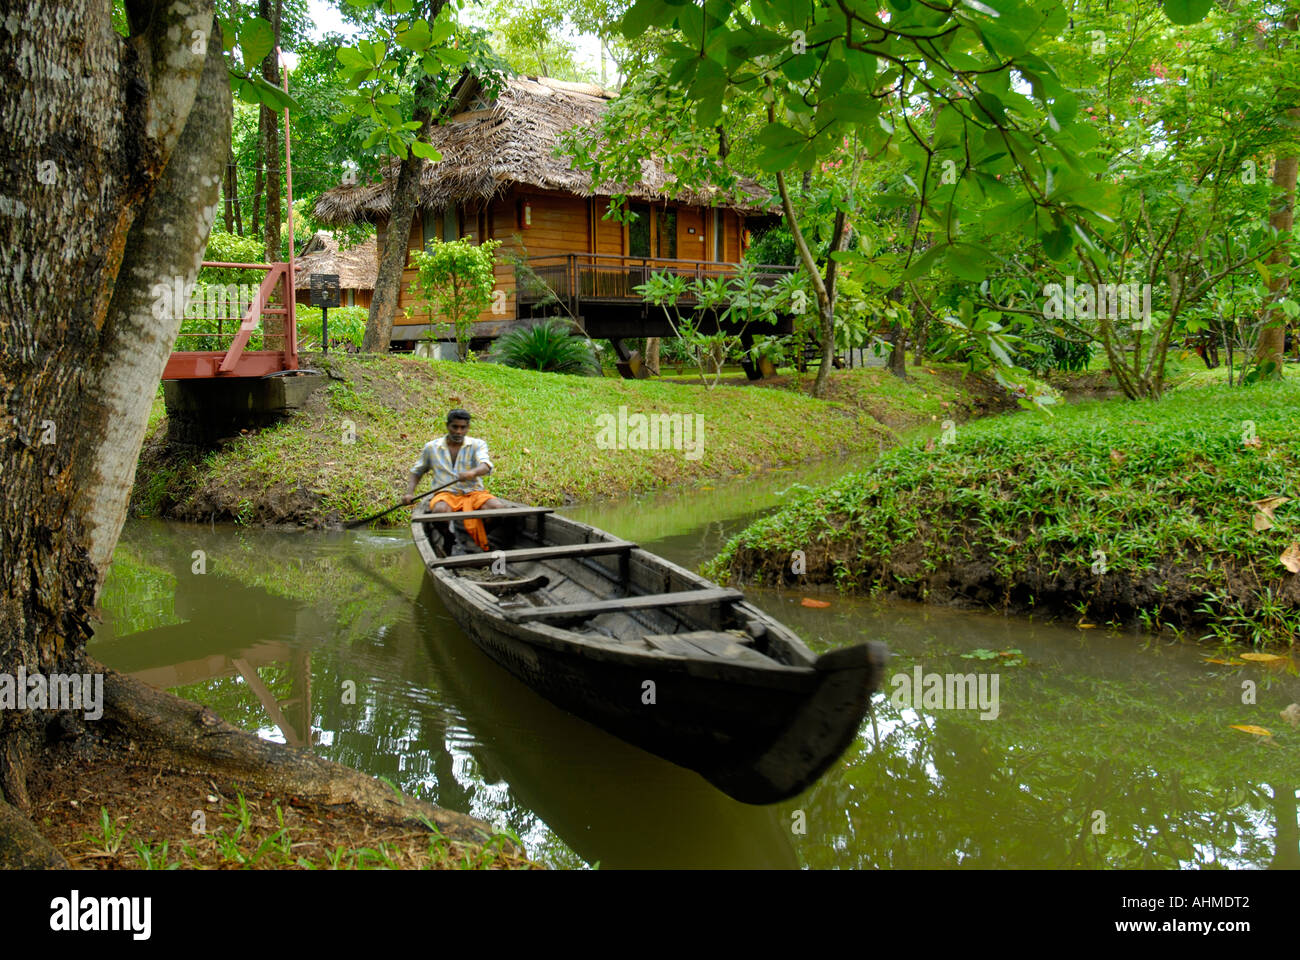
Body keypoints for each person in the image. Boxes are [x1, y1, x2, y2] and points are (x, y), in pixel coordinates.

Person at [404, 409, 506, 552]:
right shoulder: (432, 447)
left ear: (468, 428)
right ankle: (448, 537)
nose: (458, 431)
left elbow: (486, 465)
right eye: (455, 427)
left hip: (473, 493)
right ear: (447, 426)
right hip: (446, 494)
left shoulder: (477, 445)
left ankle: (479, 535)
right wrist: (409, 493)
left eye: (463, 427)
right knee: (439, 512)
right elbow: (417, 471)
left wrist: (472, 472)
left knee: (498, 510)